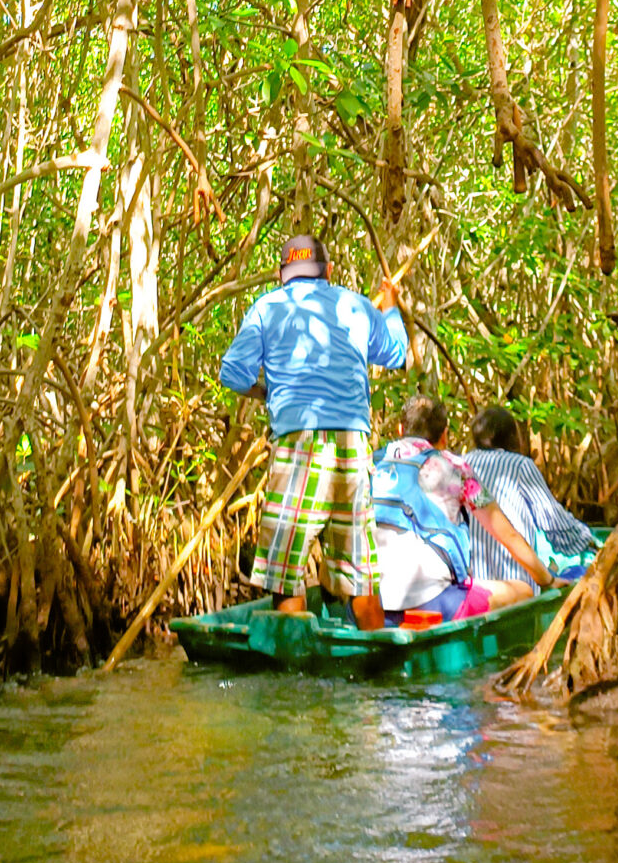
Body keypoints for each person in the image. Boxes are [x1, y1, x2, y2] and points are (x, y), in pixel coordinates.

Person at [219, 232, 408, 630]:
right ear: (329, 271)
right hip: (352, 445)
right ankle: (376, 670)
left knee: (285, 570)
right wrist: (390, 308)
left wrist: (269, 391)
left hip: (298, 443)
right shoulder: (355, 305)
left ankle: (296, 677)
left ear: (282, 273)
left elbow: (232, 374)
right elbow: (397, 354)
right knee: (360, 571)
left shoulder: (266, 308)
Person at [372, 395, 545, 622]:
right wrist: (546, 580)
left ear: (400, 428)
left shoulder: (373, 464)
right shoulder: (454, 467)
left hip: (374, 601)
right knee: (523, 591)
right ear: (444, 436)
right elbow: (506, 533)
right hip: (435, 601)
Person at [465, 401, 600, 588]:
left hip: (472, 586)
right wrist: (589, 540)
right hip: (516, 584)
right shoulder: (520, 466)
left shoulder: (460, 464)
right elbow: (554, 521)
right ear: (511, 436)